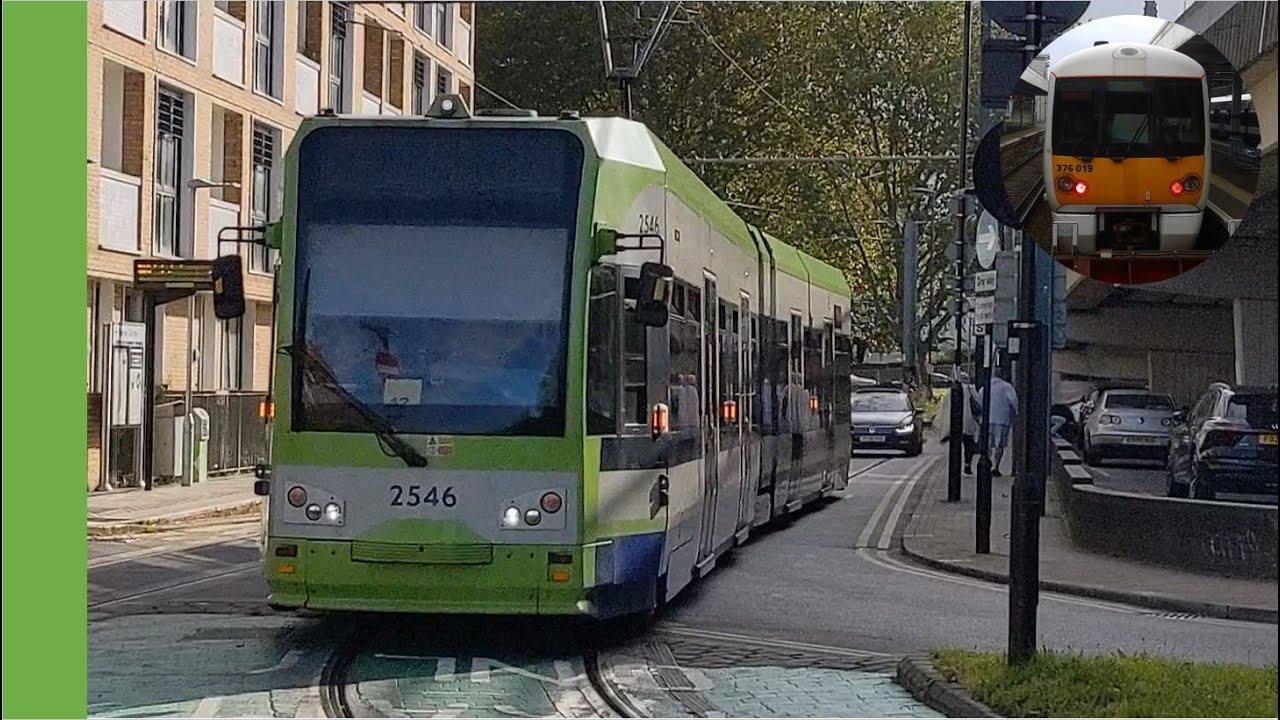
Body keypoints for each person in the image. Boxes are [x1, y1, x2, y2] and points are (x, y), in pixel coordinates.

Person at [975, 368, 1018, 476]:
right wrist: (1017, 412)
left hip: (986, 420)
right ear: (1002, 375)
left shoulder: (985, 386)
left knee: (988, 444)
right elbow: (1014, 401)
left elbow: (979, 401)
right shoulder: (1007, 386)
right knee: (1000, 445)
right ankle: (996, 467)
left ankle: (987, 464)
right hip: (1002, 419)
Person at [938, 373, 979, 474]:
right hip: (968, 422)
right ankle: (967, 465)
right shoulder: (970, 389)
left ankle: (955, 467)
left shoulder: (949, 392)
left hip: (953, 423)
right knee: (969, 445)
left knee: (955, 446)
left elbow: (943, 409)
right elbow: (978, 403)